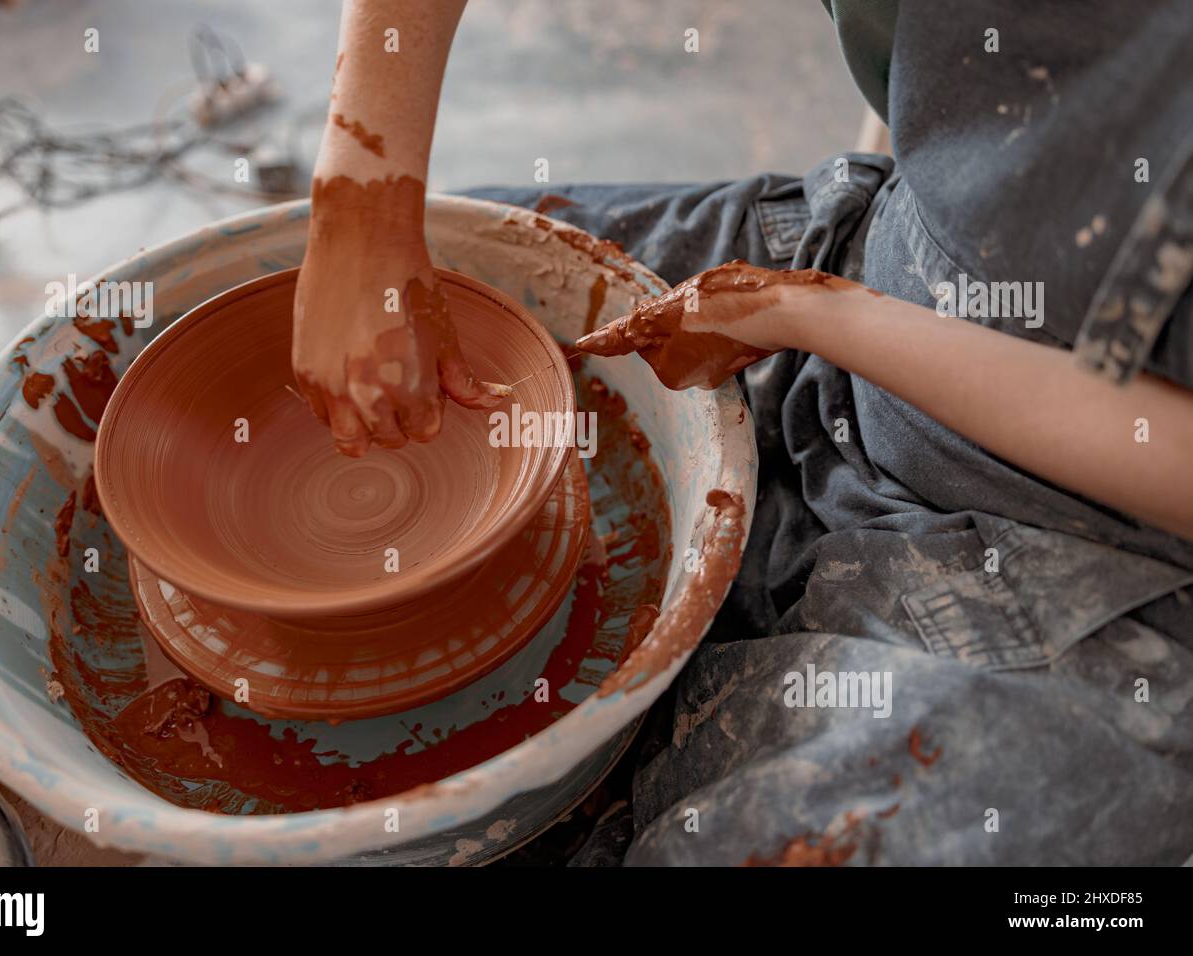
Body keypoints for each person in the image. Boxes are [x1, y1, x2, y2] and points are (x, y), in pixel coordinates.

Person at [298, 0, 1193, 864]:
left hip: (1090, 544)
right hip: (897, 263)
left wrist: (802, 316)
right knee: (454, 271)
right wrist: (363, 210)